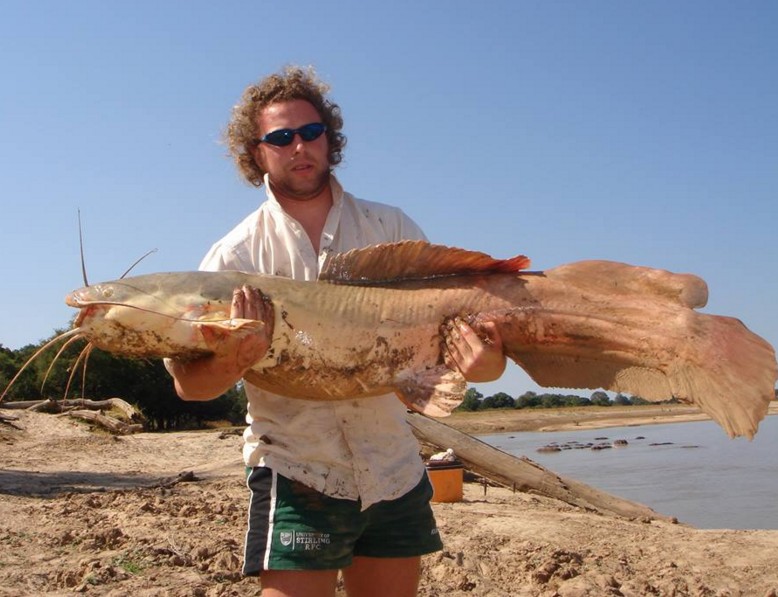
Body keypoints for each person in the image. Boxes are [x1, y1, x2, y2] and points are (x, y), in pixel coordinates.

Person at [166, 65, 506, 597]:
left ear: (330, 138)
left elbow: (453, 350)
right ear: (256, 153)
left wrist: (487, 365)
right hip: (297, 470)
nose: (299, 146)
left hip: (394, 470)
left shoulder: (391, 229)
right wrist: (234, 359)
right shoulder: (233, 258)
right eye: (281, 137)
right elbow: (190, 386)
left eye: (311, 132)